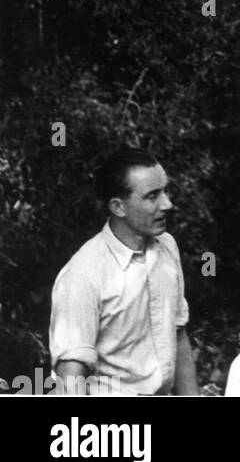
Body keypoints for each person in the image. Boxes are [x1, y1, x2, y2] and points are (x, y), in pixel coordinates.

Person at [49, 147, 198, 396]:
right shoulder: (82, 275)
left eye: (165, 190)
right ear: (118, 207)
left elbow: (178, 334)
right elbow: (70, 376)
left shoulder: (167, 247)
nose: (167, 204)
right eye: (152, 196)